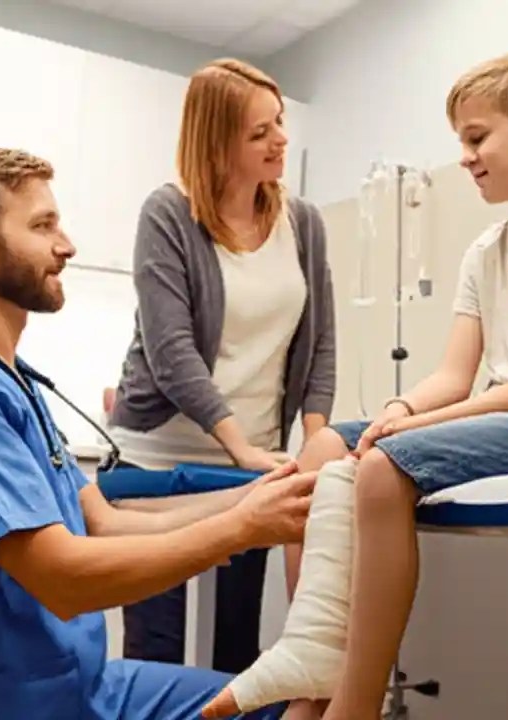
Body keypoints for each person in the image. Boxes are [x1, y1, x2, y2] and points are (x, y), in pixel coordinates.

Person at [202, 49, 508, 719]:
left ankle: (353, 706)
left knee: (383, 469)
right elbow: (452, 376)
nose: (465, 158)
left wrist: (415, 429)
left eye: (477, 139)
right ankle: (314, 680)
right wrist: (400, 407)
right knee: (321, 453)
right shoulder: (486, 251)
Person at [0, 146, 315, 720]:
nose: (65, 245)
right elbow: (64, 578)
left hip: (73, 688)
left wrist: (264, 497)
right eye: (43, 225)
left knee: (282, 701)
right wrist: (242, 528)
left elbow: (105, 522)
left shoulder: (8, 379)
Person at [101, 57, 336, 675]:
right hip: (159, 465)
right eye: (260, 132)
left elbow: (320, 344)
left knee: (231, 656)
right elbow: (171, 351)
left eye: (279, 122)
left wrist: (317, 447)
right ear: (217, 143)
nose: (280, 139)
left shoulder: (302, 223)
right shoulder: (169, 214)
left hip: (249, 472)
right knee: (159, 654)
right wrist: (240, 446)